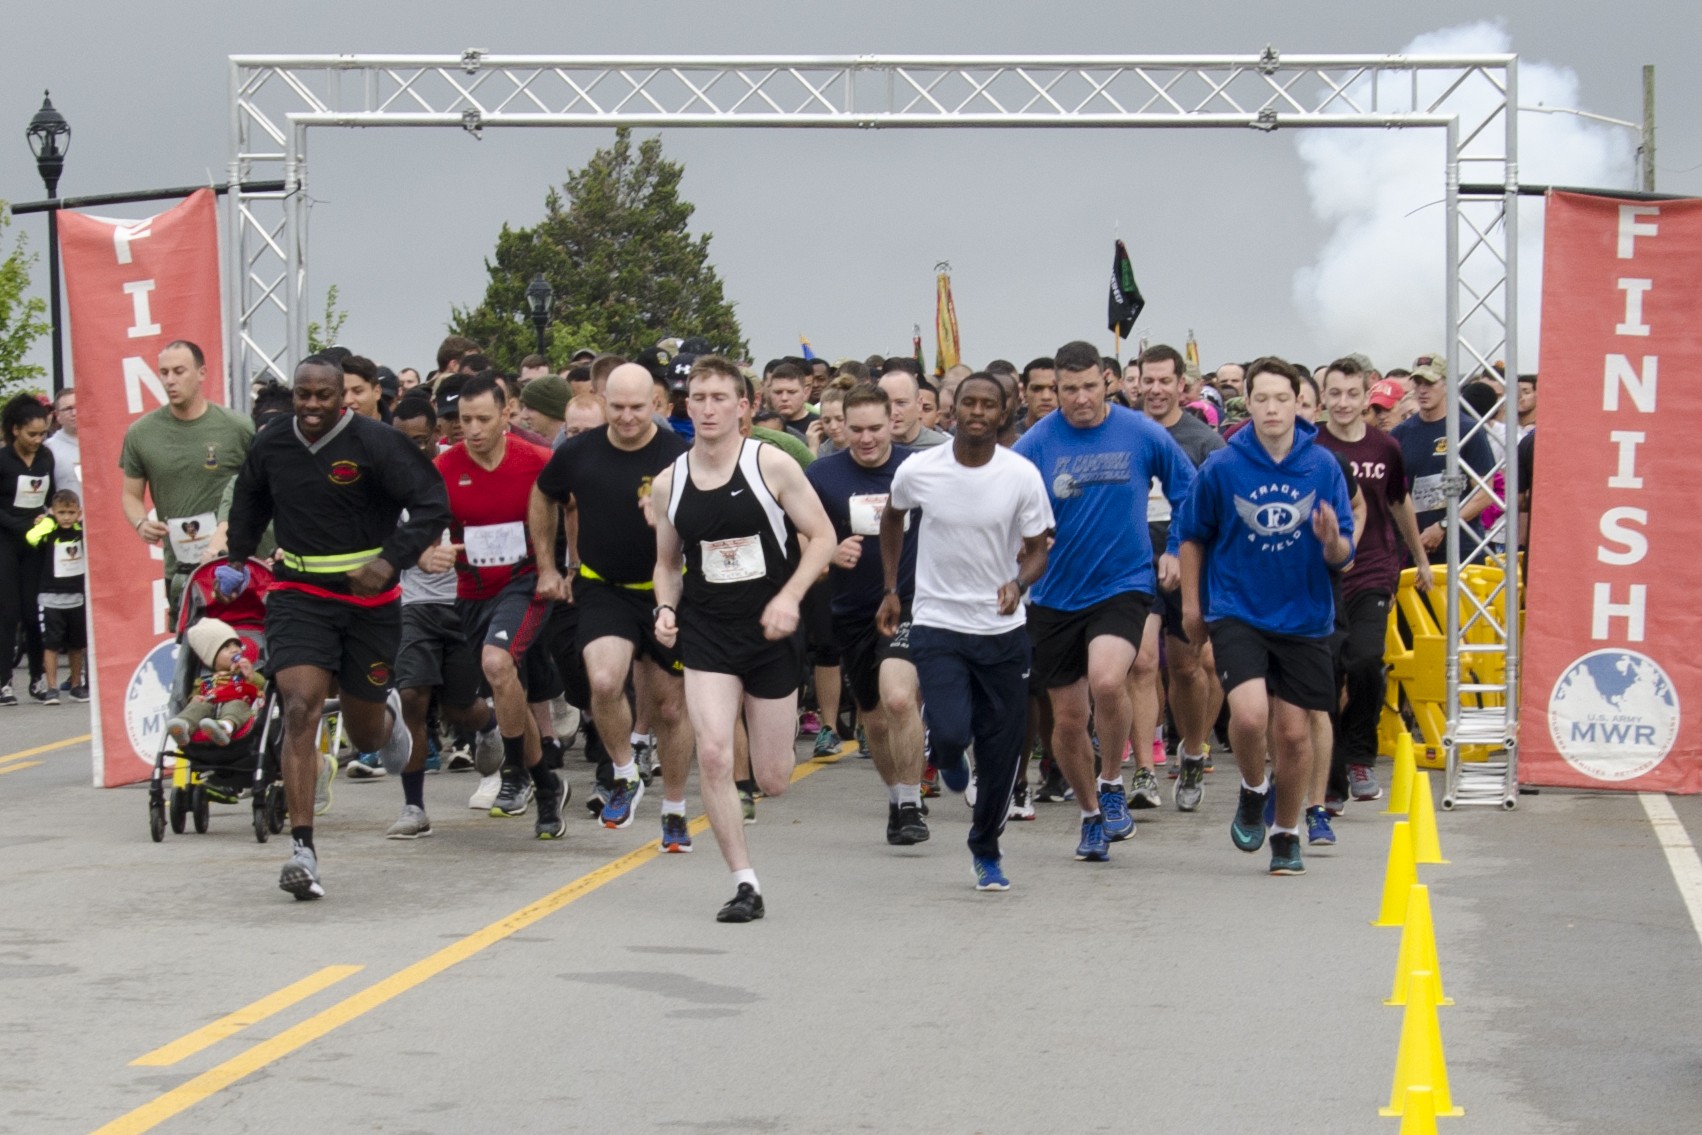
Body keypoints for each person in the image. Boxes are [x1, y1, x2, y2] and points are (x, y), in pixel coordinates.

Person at [225, 355, 451, 899]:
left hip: (368, 603)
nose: (310, 406)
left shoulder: (377, 443)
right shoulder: (272, 442)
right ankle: (303, 849)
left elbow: (431, 504)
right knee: (299, 705)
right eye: (302, 395)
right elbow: (250, 500)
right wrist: (237, 556)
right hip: (298, 593)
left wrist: (389, 560)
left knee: (365, 732)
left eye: (322, 396)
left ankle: (386, 716)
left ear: (342, 398)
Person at [650, 355, 837, 921]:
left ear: (743, 407)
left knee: (775, 778)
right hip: (707, 631)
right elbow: (666, 563)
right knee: (712, 752)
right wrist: (664, 606)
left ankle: (760, 787)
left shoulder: (771, 465)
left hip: (770, 631)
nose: (707, 408)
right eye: (698, 398)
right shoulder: (669, 483)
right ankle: (745, 882)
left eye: (719, 398)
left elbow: (823, 536)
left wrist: (789, 597)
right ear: (687, 406)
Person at [1014, 340, 1195, 860]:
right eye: (1068, 390)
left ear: (1108, 382)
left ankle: (1114, 781)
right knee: (1068, 719)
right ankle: (1091, 814)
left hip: (1123, 582)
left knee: (1110, 678)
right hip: (1054, 592)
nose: (1080, 399)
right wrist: (1023, 545)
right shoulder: (1037, 442)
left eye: (1090, 386)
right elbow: (1004, 500)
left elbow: (1189, 488)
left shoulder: (1140, 432)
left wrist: (1177, 548)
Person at [1178, 357, 1356, 877]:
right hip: (1238, 609)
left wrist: (1330, 542)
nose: (1273, 408)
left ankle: (1286, 832)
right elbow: (1192, 536)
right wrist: (1192, 606)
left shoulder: (1321, 466)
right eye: (1263, 399)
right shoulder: (1224, 466)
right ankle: (1254, 788)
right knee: (1251, 716)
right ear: (1248, 403)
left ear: (1301, 404)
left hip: (1303, 616)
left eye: (1284, 398)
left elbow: (1343, 554)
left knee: (1295, 735)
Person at [881, 372, 1051, 890]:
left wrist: (1018, 583)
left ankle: (987, 850)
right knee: (953, 731)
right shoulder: (920, 469)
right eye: (968, 403)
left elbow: (1040, 546)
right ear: (954, 411)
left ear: (1004, 414)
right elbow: (893, 516)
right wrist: (891, 587)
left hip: (1002, 630)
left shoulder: (1020, 474)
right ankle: (948, 755)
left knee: (1000, 752)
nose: (977, 412)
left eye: (989, 405)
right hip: (937, 622)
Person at [532, 364, 695, 847]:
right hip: (603, 586)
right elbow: (543, 495)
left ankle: (675, 808)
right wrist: (546, 564)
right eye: (617, 407)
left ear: (658, 406)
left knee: (669, 707)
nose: (626, 417)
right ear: (603, 402)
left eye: (637, 408)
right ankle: (625, 771)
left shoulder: (677, 455)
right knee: (603, 680)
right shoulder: (579, 451)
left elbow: (710, 514)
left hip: (666, 591)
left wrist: (670, 514)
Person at [429, 375, 566, 836]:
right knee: (505, 687)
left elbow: (574, 506)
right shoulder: (445, 467)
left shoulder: (538, 461)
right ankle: (546, 785)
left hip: (523, 583)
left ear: (507, 414)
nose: (472, 429)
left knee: (497, 662)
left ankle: (512, 773)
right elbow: (426, 531)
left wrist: (561, 568)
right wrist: (431, 552)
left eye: (483, 419)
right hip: (471, 592)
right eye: (463, 420)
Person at [807, 383, 929, 846]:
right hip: (850, 608)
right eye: (855, 430)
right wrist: (828, 553)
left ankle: (914, 801)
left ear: (892, 422)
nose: (865, 439)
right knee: (874, 719)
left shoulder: (918, 468)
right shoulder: (821, 475)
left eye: (875, 428)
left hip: (911, 601)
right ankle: (897, 800)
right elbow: (798, 537)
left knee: (899, 698)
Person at [1317, 358, 1432, 820]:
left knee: (1364, 661)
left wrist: (1419, 558)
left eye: (1352, 394)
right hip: (1322, 577)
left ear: (1367, 397)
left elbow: (1400, 503)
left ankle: (1361, 755)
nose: (1343, 403)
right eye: (1335, 394)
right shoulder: (1311, 447)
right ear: (1323, 397)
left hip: (1374, 571)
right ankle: (1332, 777)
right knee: (1325, 675)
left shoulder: (1387, 447)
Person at [1136, 344, 1226, 812]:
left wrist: (1182, 552)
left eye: (1163, 381)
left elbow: (1217, 508)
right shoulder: (1124, 432)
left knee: (1189, 669)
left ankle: (1192, 750)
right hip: (1134, 565)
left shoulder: (1203, 441)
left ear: (1181, 386)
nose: (1154, 389)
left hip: (1188, 564)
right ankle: (1145, 772)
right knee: (1142, 663)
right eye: (1146, 380)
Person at [121, 340, 255, 622]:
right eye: (164, 372)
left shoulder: (237, 427)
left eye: (179, 371)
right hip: (180, 568)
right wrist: (140, 524)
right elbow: (130, 495)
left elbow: (262, 489)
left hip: (233, 564)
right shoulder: (141, 433)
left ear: (202, 373)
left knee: (243, 652)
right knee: (191, 655)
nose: (170, 380)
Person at [1390, 352, 1494, 564]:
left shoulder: (1467, 430)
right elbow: (1392, 494)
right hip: (1413, 548)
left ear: (1446, 385)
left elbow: (1485, 492)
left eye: (1429, 382)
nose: (1422, 390)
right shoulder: (1400, 434)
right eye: (1417, 383)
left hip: (1461, 548)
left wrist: (1444, 525)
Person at [0, 395, 54, 706]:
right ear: (16, 430)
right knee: (9, 613)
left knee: (34, 612)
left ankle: (37, 678)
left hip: (36, 541)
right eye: (32, 434)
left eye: (42, 433)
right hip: (6, 540)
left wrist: (48, 517)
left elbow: (48, 496)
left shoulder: (46, 458)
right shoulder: (4, 459)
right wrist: (18, 525)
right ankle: (5, 681)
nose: (37, 440)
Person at [165, 617, 264, 746]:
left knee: (236, 706)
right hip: (209, 709)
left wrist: (251, 676)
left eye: (237, 645)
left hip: (238, 704)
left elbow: (262, 687)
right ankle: (184, 726)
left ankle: (225, 728)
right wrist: (194, 699)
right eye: (227, 647)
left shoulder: (244, 674)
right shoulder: (204, 681)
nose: (235, 649)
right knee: (198, 707)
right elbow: (195, 695)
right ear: (212, 657)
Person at [26, 490, 86, 703]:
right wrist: (48, 521)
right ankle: (52, 688)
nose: (67, 517)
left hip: (76, 597)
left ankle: (76, 685)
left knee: (77, 645)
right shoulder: (48, 530)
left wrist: (82, 522)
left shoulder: (81, 532)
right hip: (50, 598)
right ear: (54, 512)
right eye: (62, 512)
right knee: (51, 645)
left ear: (78, 512)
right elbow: (31, 537)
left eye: (71, 512)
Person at [878, 361, 949, 449]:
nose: (893, 412)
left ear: (919, 404)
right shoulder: (870, 448)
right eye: (886, 404)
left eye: (901, 403)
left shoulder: (943, 448)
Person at [45, 388, 80, 503]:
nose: (74, 413)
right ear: (57, 415)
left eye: (78, 407)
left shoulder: (101, 445)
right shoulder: (49, 448)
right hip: (67, 518)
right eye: (68, 409)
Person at [518, 374, 570, 445]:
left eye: (530, 408)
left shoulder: (574, 451)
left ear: (551, 411)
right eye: (523, 407)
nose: (523, 416)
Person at [1015, 358, 1058, 435]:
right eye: (1037, 389)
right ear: (1024, 392)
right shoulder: (1008, 440)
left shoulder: (1078, 437)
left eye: (1054, 389)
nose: (1046, 397)